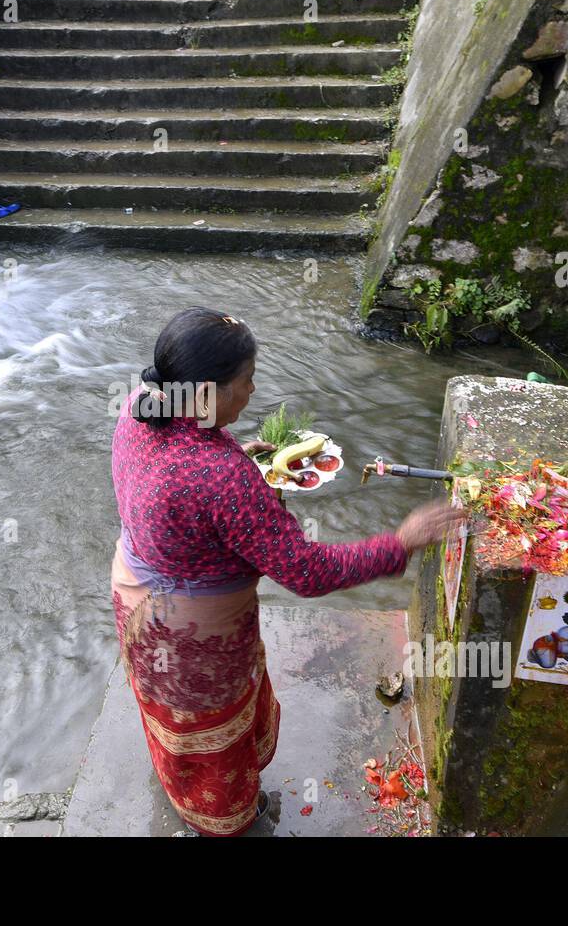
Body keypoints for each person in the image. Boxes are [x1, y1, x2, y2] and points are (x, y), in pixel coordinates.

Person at [110, 306, 466, 836]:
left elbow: (175, 477)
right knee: (213, 739)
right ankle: (228, 822)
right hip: (196, 634)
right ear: (208, 393)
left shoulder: (144, 402)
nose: (252, 393)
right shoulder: (222, 478)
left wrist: (238, 453)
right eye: (246, 382)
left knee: (174, 723)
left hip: (136, 596)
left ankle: (183, 791)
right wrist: (401, 542)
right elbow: (307, 572)